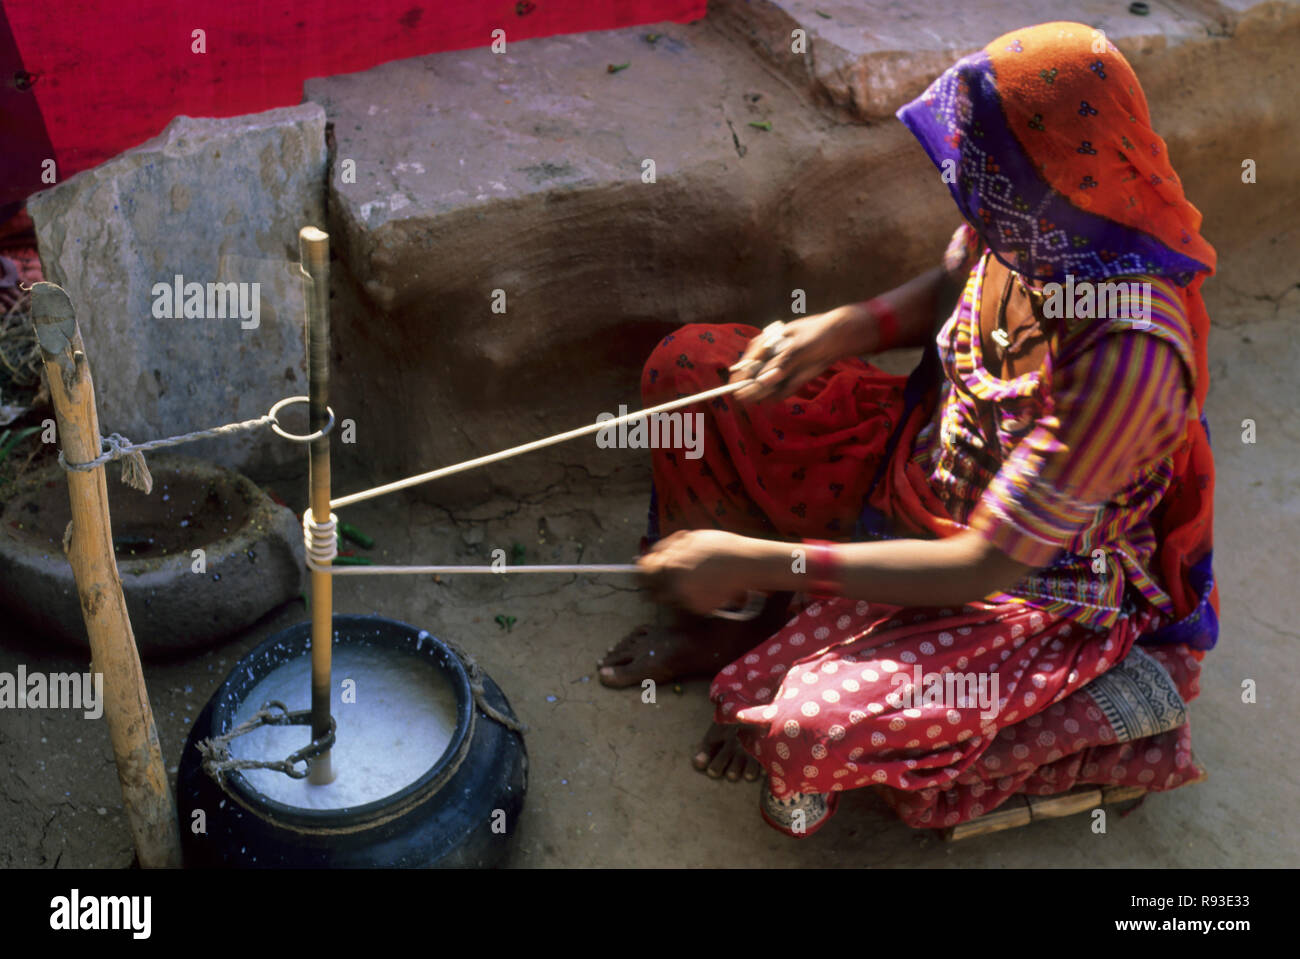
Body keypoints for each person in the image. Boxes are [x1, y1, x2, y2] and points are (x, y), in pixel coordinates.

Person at [598, 21, 1218, 836]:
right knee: (691, 377)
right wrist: (838, 330)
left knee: (804, 728)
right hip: (914, 464)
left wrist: (759, 556)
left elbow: (980, 564)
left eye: (995, 169)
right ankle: (733, 627)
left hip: (1016, 591)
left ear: (1059, 176)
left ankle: (1105, 723)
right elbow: (948, 291)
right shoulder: (1036, 223)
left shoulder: (1127, 361)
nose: (974, 185)